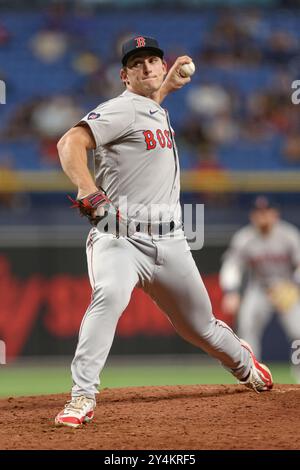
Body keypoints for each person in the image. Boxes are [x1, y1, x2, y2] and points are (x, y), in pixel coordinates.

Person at [55, 36, 273, 428]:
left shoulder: (151, 109)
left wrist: (166, 88)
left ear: (161, 66)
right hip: (118, 234)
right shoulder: (119, 109)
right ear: (124, 76)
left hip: (171, 238)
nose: (147, 67)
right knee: (109, 297)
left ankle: (245, 366)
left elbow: (144, 115)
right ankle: (81, 396)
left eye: (153, 60)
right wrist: (88, 189)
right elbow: (70, 141)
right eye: (136, 63)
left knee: (201, 327)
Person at [220, 195, 300, 380]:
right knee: (247, 330)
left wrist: (294, 286)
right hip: (259, 289)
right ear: (252, 215)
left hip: (286, 289)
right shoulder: (244, 238)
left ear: (275, 214)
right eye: (258, 212)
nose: (262, 216)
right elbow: (232, 266)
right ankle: (250, 376)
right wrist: (231, 292)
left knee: (299, 332)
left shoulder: (289, 235)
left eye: (266, 212)